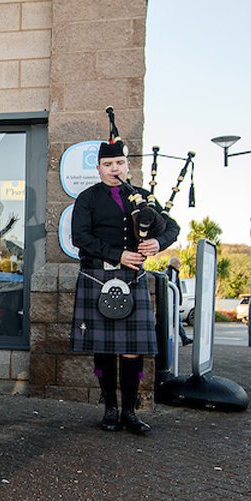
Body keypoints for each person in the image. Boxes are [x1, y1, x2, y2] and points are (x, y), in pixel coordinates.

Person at [70, 134, 180, 434]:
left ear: (127, 165)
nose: (114, 168)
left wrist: (158, 241)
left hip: (133, 279)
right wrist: (119, 254)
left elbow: (172, 227)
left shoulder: (144, 197)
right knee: (104, 350)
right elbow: (80, 238)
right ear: (99, 168)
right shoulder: (88, 199)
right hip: (98, 276)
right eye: (108, 164)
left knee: (132, 350)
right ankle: (110, 410)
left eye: (119, 162)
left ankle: (130, 413)